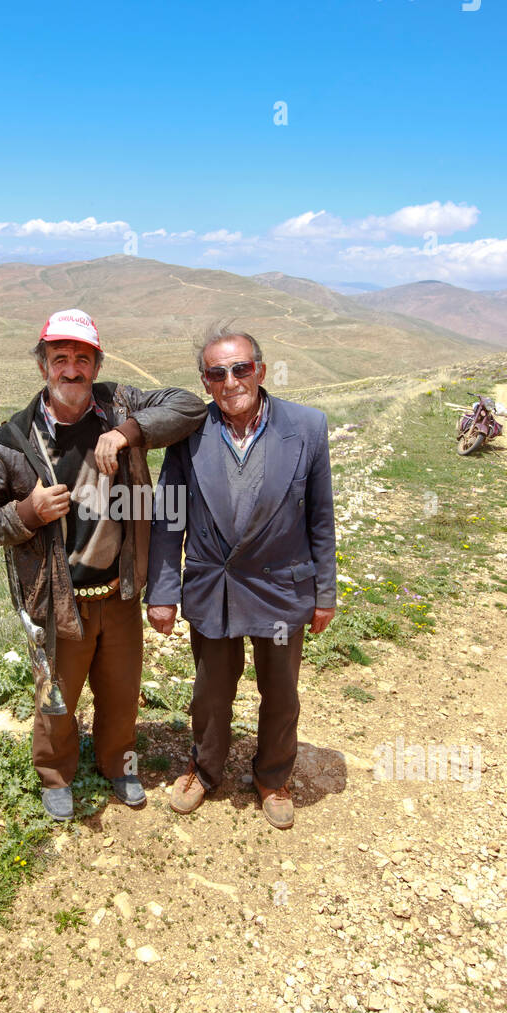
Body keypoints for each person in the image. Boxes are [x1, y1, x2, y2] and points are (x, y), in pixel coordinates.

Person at [0, 308, 206, 821]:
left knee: (121, 692)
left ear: (96, 363)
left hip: (117, 591)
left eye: (82, 358)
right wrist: (25, 513)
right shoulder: (11, 441)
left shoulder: (118, 405)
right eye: (60, 358)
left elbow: (189, 407)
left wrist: (128, 433)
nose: (72, 369)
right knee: (56, 699)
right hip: (56, 598)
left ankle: (121, 764)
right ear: (43, 365)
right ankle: (56, 774)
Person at [145, 327, 336, 829]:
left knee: (281, 691)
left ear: (260, 371)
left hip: (281, 587)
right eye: (217, 373)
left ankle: (273, 776)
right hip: (216, 588)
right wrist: (162, 592)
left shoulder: (308, 427)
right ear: (205, 382)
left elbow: (321, 518)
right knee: (210, 691)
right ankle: (205, 769)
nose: (230, 381)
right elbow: (168, 519)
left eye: (240, 368)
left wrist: (325, 593)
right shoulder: (188, 437)